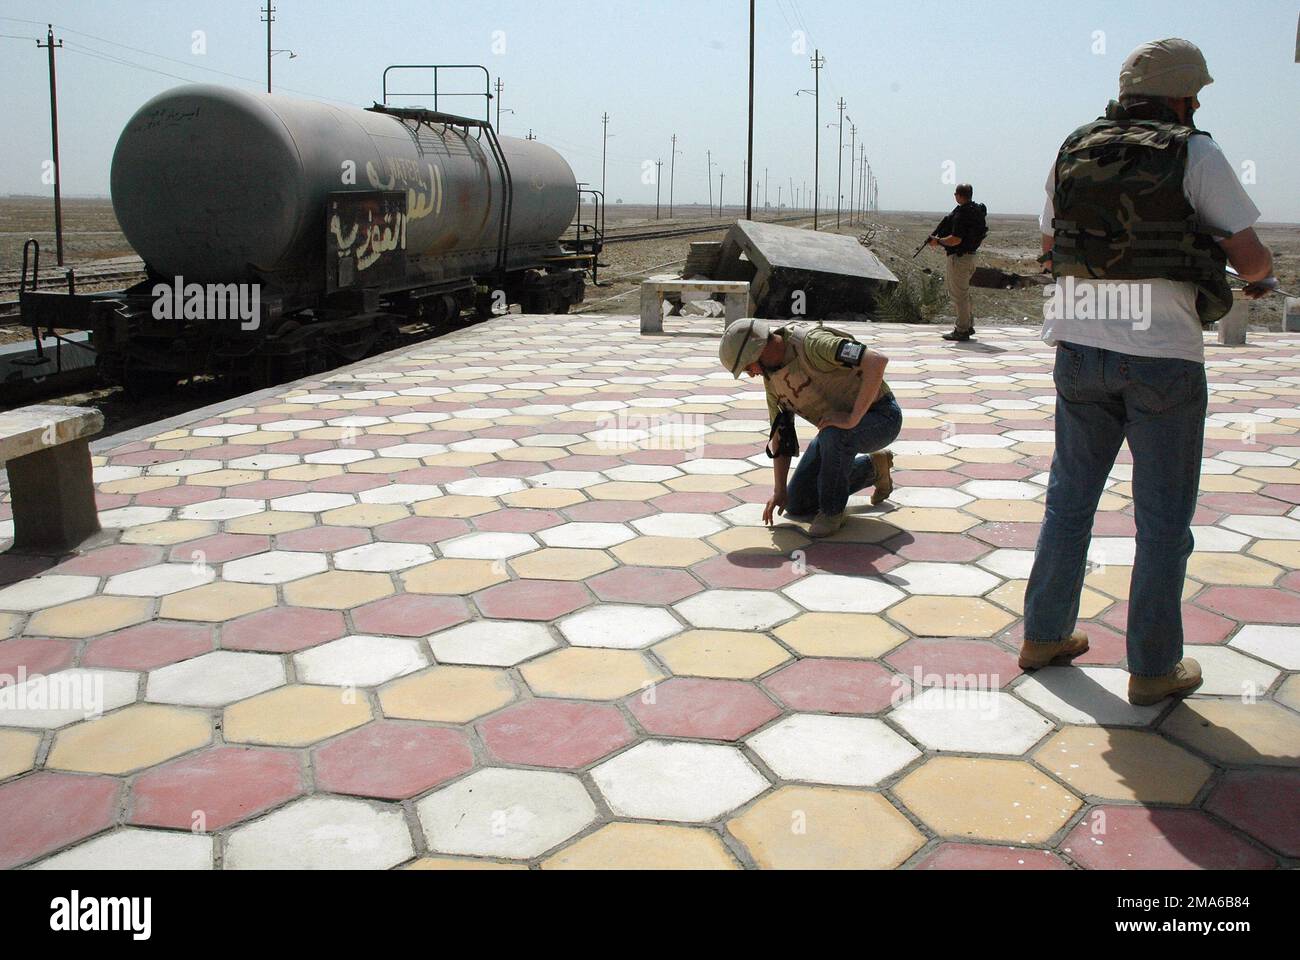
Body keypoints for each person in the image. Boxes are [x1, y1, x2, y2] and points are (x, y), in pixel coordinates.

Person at [1022, 38, 1276, 706]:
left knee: (1069, 501)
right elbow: (1249, 259)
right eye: (1194, 94)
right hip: (1162, 356)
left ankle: (1044, 635)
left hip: (1077, 349)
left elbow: (1050, 244)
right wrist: (1258, 278)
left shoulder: (1074, 148)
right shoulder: (1195, 151)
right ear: (1180, 96)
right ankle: (1153, 667)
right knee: (1162, 523)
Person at [718, 317, 900, 538]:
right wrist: (779, 490)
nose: (751, 373)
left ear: (758, 351)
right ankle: (873, 468)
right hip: (833, 433)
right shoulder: (772, 379)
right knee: (796, 502)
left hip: (881, 417)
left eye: (748, 367)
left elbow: (876, 361)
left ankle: (832, 512)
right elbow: (780, 436)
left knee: (836, 435)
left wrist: (852, 418)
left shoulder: (813, 344)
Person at [929, 184, 988, 341]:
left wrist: (939, 241)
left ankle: (962, 330)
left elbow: (955, 239)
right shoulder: (975, 210)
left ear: (960, 195)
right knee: (964, 293)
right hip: (970, 257)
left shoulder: (962, 214)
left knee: (959, 295)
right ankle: (967, 325)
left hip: (960, 259)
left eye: (956, 194)